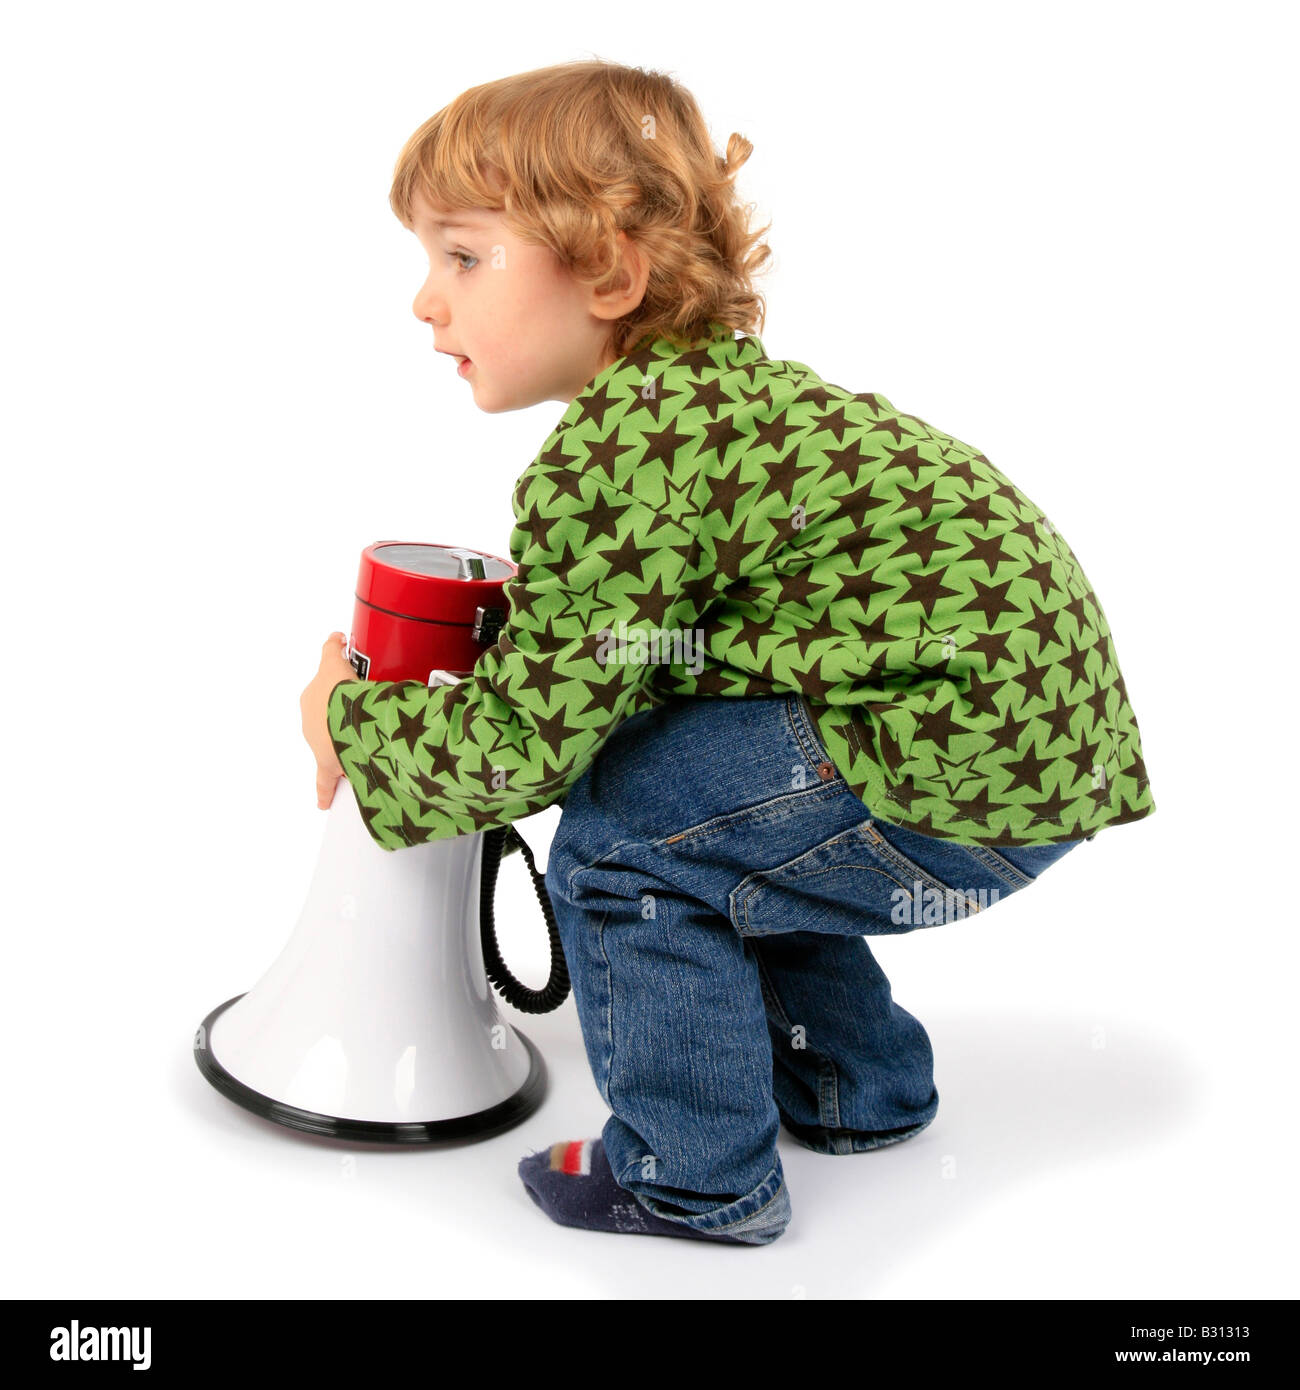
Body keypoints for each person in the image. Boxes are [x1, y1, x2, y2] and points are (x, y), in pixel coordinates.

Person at [299, 59, 1154, 1245]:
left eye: (463, 257)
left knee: (626, 839)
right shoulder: (713, 404)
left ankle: (696, 1178)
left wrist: (352, 719)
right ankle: (855, 1088)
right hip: (1035, 750)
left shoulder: (619, 462)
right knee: (721, 807)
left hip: (954, 772)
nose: (423, 302)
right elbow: (657, 646)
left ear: (610, 274)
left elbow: (520, 750)